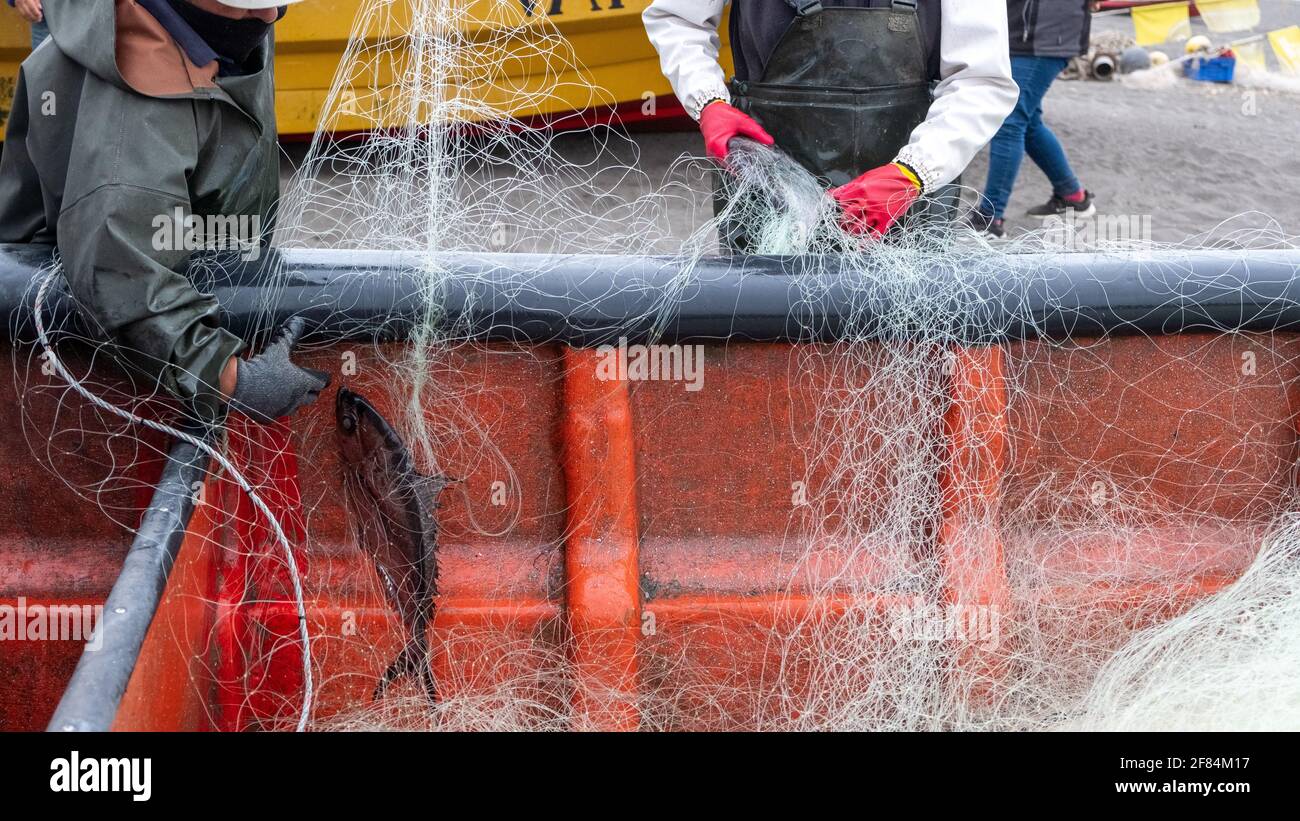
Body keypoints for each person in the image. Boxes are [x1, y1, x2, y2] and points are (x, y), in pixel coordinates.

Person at [0, 0, 327, 425]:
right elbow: (118, 277)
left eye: (275, 3)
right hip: (65, 339)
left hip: (185, 249)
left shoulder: (206, 25)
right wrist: (232, 380)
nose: (268, 17)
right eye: (247, 6)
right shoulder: (135, 116)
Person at [643, 0, 1019, 246]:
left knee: (896, 352)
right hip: (768, 193)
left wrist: (913, 171)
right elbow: (676, 18)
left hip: (908, 204)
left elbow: (980, 81)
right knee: (770, 343)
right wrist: (708, 100)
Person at [969, 1, 1096, 238]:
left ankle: (990, 220)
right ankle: (1072, 195)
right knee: (1029, 123)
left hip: (1045, 33)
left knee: (1010, 120)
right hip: (1024, 30)